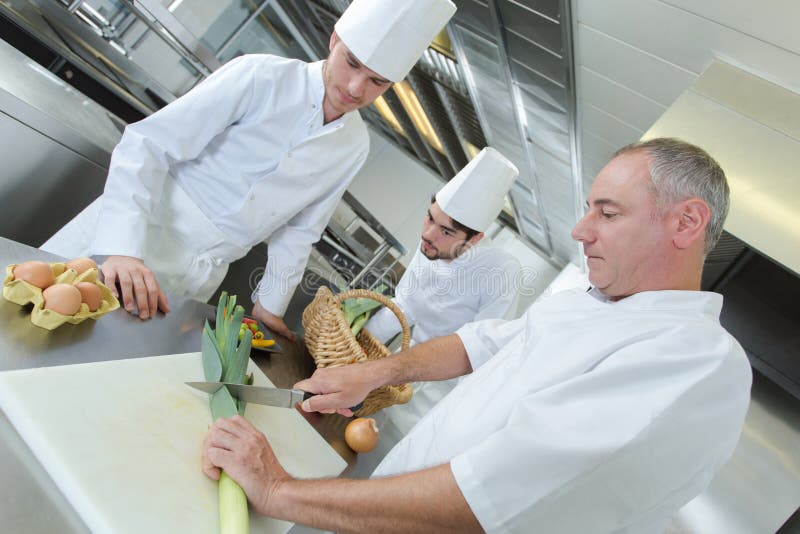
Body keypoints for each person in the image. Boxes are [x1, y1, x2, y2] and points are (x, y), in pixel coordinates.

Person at [201, 138, 752, 533]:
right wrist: (375, 370)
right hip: (386, 502)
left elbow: (492, 494)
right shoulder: (590, 306)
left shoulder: (694, 359)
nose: (581, 231)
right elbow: (485, 342)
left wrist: (279, 491)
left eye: (607, 214)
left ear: (686, 222)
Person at [41, 0, 456, 340]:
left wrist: (270, 307)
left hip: (198, 278)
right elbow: (149, 144)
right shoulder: (260, 76)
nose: (355, 88)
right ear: (334, 40)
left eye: (377, 82)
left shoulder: (354, 146)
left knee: (108, 369)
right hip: (136, 238)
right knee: (38, 329)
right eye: (352, 63)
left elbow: (300, 231)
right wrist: (121, 248)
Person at [365, 147, 521, 435]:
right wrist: (357, 351)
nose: (428, 234)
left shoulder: (500, 271)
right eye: (430, 218)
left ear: (475, 239)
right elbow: (403, 306)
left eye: (446, 231)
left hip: (435, 401)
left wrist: (452, 425)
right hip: (395, 371)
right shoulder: (431, 245)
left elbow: (481, 351)